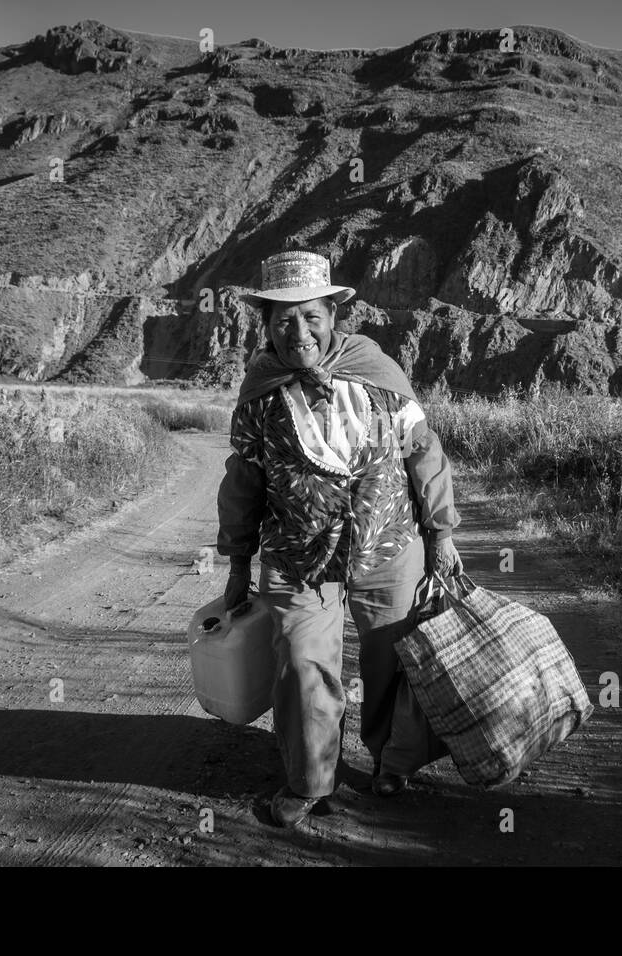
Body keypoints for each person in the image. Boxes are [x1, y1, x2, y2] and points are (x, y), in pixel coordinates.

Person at [217, 250, 463, 828]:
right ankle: (310, 781)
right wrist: (235, 563)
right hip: (296, 555)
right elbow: (243, 482)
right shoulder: (260, 395)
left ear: (333, 314)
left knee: (394, 660)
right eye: (283, 320)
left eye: (309, 316)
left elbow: (425, 453)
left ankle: (393, 760)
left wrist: (442, 533)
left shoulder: (379, 375)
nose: (297, 332)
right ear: (267, 325)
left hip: (388, 546)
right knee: (303, 664)